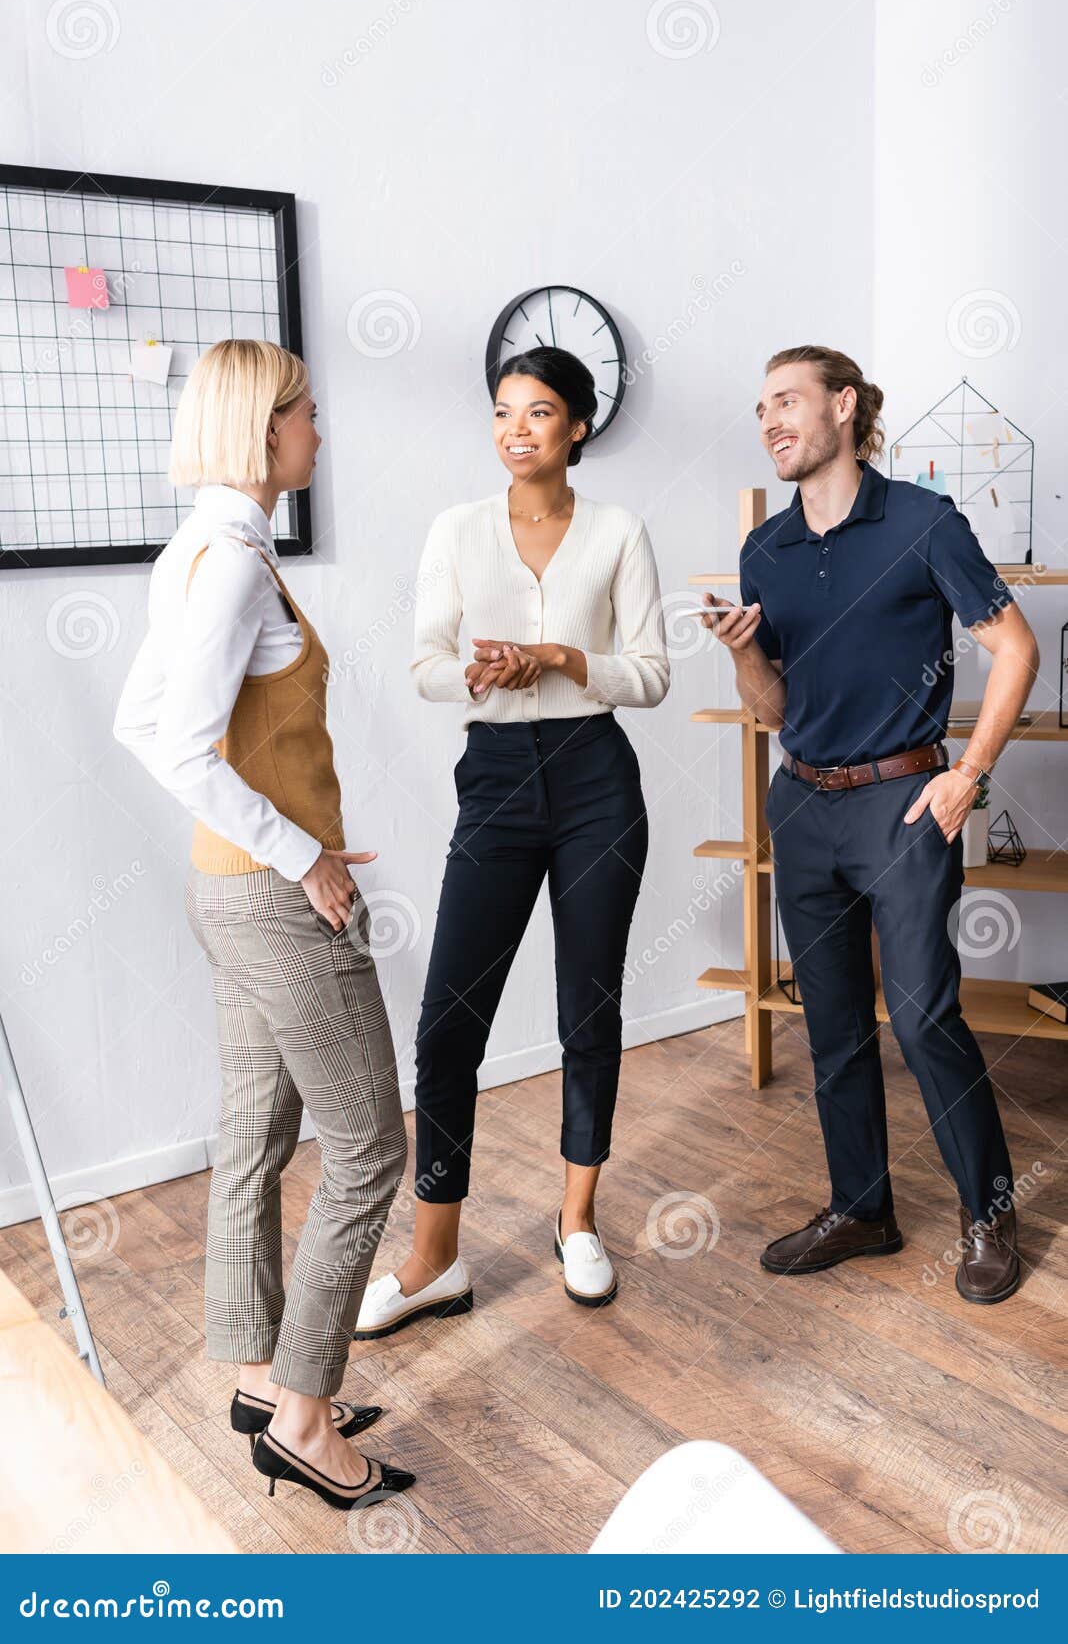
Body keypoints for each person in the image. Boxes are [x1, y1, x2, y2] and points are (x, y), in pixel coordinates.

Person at [113, 339, 415, 1510]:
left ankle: (253, 1373)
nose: (319, 434)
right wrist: (305, 858)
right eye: (306, 415)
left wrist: (286, 846)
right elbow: (179, 742)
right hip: (274, 900)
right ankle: (300, 1417)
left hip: (224, 886)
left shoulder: (199, 547)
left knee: (256, 1131)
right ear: (262, 427)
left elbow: (143, 729)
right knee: (371, 1145)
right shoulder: (232, 563)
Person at [705, 345, 1038, 1304]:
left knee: (927, 1015)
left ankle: (989, 1211)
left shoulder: (924, 522)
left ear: (844, 408)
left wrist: (969, 773)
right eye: (760, 406)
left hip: (903, 804)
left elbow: (1015, 648)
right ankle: (862, 1209)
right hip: (803, 803)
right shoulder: (764, 549)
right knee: (835, 1026)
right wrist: (740, 656)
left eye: (788, 401)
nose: (770, 420)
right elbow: (772, 708)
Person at [354, 346, 669, 1336]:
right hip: (494, 777)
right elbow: (425, 664)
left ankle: (577, 1221)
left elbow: (652, 673)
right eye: (502, 413)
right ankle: (434, 1253)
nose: (515, 429)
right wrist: (485, 676)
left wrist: (565, 658)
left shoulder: (619, 531)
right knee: (450, 1016)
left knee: (589, 1004)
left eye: (538, 412)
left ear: (577, 426)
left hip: (595, 782)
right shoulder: (456, 530)